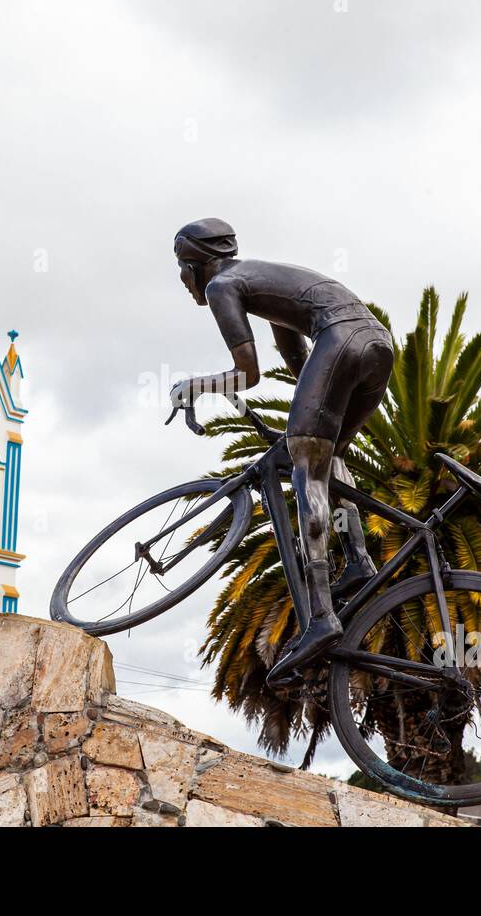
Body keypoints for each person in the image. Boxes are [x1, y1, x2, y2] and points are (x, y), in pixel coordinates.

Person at [169, 217, 394, 686]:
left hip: (343, 339)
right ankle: (355, 558)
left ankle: (320, 618)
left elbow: (247, 373)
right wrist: (301, 425)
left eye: (180, 267)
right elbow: (301, 368)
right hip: (377, 345)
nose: (182, 280)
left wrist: (193, 386)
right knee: (323, 452)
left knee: (307, 466)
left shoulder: (223, 285)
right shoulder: (265, 283)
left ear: (194, 263)